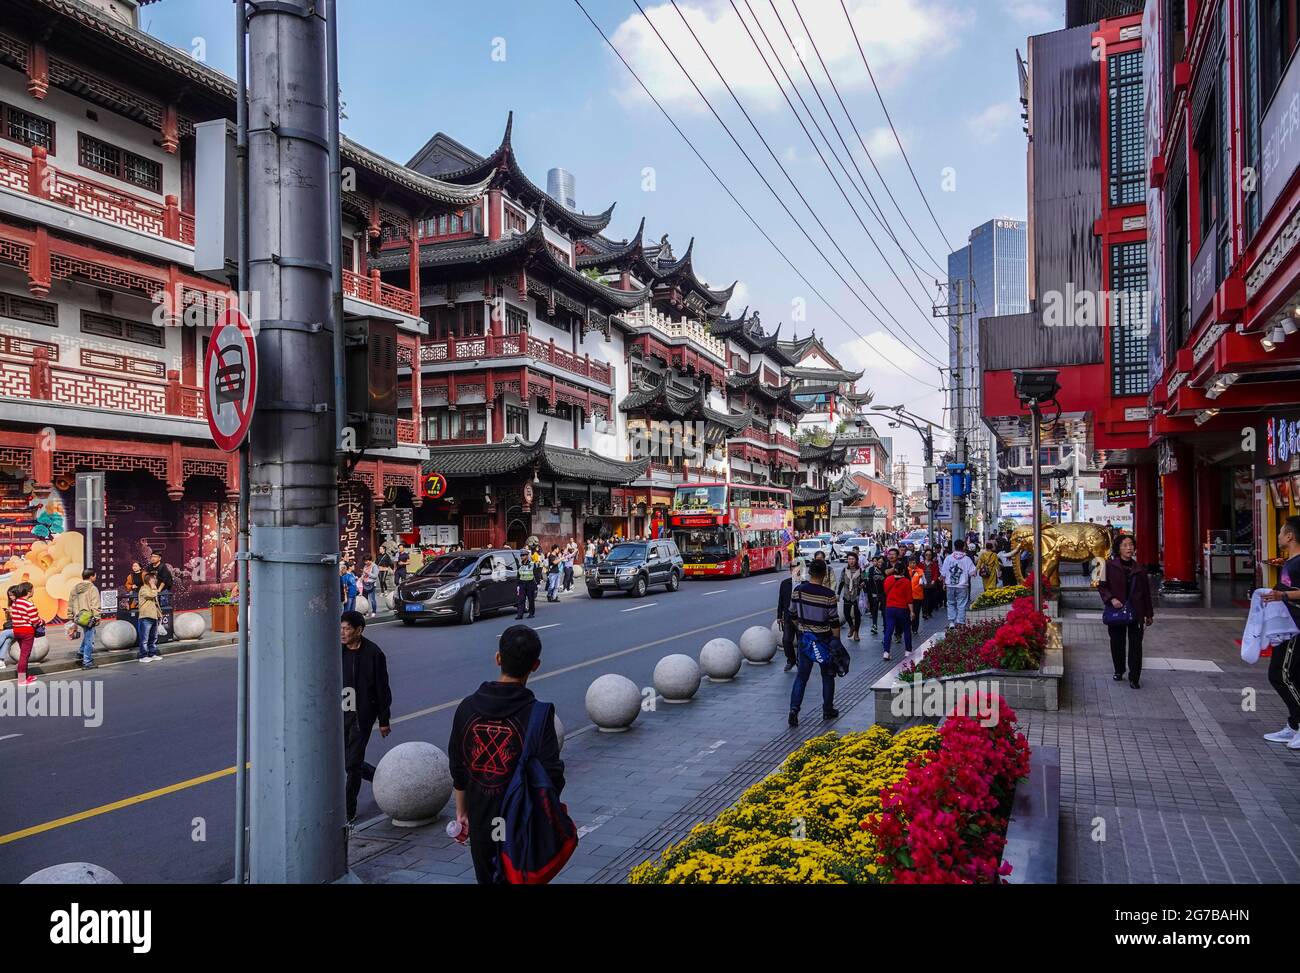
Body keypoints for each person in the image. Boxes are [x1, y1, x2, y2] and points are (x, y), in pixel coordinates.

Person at [449, 625, 565, 884]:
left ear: (498, 658)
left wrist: (462, 812)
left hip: (481, 819)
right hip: (523, 821)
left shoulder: (467, 707)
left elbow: (458, 767)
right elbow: (553, 775)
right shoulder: (538, 715)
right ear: (536, 665)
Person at [340, 610, 392, 824]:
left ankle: (348, 811)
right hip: (340, 713)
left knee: (352, 765)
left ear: (359, 630)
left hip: (362, 715)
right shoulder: (337, 651)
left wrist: (384, 719)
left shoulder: (373, 653)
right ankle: (381, 777)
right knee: (346, 761)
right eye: (341, 628)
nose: (342, 633)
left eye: (347, 629)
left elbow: (382, 688)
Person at [785, 558, 840, 727]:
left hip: (805, 640)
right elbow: (834, 622)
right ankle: (827, 709)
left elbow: (792, 614)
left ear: (809, 573)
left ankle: (794, 710)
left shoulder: (798, 591)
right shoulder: (829, 596)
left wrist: (802, 628)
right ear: (824, 575)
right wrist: (836, 642)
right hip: (824, 640)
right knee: (828, 676)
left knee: (802, 677)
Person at [1262, 515, 1300, 749]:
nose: (1278, 535)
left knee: (1280, 675)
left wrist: (1282, 595)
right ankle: (1294, 725)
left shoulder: (1299, 562)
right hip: (1285, 628)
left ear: (1290, 536)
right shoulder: (1290, 562)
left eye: (1281, 531)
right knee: (1292, 676)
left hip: (1296, 628)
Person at [1097, 534, 1154, 689]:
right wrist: (1111, 599)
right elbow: (1101, 586)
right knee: (1117, 642)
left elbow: (1146, 593)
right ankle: (1119, 670)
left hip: (1136, 611)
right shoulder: (1109, 566)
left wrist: (1149, 614)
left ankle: (1134, 677)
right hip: (1116, 610)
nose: (1129, 548)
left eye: (1131, 545)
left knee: (1136, 646)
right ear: (1118, 548)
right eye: (1125, 545)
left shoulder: (1139, 569)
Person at [68, 569, 101, 670]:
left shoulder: (75, 588)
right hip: (88, 617)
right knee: (90, 640)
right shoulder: (92, 588)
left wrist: (70, 616)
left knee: (89, 634)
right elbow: (95, 604)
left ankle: (81, 652)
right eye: (95, 575)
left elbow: (70, 603)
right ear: (91, 576)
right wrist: (97, 617)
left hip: (77, 616)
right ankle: (87, 662)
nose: (95, 577)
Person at [881, 559, 914, 662]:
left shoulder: (888, 580)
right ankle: (908, 651)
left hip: (890, 608)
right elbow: (909, 599)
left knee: (889, 630)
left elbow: (885, 591)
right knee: (906, 629)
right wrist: (912, 611)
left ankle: (886, 652)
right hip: (902, 609)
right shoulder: (906, 582)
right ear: (903, 571)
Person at [941, 540, 978, 628]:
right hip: (962, 586)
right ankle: (960, 622)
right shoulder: (967, 559)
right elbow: (973, 572)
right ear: (963, 547)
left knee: (950, 603)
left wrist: (943, 583)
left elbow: (943, 573)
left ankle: (951, 622)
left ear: (954, 546)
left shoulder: (948, 558)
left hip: (950, 585)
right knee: (961, 604)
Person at [9, 582, 40, 685]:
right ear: (29, 591)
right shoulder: (29, 604)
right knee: (24, 655)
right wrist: (42, 622)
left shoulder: (15, 603)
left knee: (24, 654)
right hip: (27, 632)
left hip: (17, 631)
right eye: (33, 589)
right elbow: (35, 621)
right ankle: (22, 680)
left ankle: (26, 676)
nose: (34, 591)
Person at [776, 559, 803, 672]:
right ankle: (791, 660)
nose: (794, 570)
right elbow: (781, 601)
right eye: (792, 568)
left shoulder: (805, 584)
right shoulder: (785, 583)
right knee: (786, 640)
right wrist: (779, 616)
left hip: (802, 618)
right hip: (788, 617)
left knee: (801, 641)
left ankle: (800, 661)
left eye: (797, 568)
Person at [836, 552, 863, 642]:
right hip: (847, 594)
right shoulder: (844, 570)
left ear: (856, 560)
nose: (851, 561)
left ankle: (856, 633)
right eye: (849, 559)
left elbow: (865, 581)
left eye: (853, 559)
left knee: (857, 615)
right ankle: (851, 626)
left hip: (857, 595)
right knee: (846, 614)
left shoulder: (861, 570)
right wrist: (838, 594)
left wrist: (863, 584)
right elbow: (841, 582)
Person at [136, 572, 163, 661]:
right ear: (149, 580)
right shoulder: (144, 589)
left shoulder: (151, 589)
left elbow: (156, 603)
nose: (155, 580)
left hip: (154, 616)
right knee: (144, 638)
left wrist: (160, 614)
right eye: (153, 579)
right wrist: (153, 586)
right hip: (145, 616)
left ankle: (152, 653)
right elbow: (152, 594)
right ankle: (143, 656)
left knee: (153, 637)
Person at [864, 554, 886, 637]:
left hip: (884, 593)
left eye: (881, 562)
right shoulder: (871, 569)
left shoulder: (885, 570)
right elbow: (869, 581)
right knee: (874, 610)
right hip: (874, 593)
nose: (879, 563)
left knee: (884, 611)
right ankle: (874, 625)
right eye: (878, 562)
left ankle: (885, 625)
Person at [516, 548, 539, 619]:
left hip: (530, 583)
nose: (522, 557)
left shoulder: (532, 564)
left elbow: (536, 574)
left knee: (530, 599)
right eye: (521, 555)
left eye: (523, 555)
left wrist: (537, 584)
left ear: (527, 556)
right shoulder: (519, 565)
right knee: (521, 600)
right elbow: (518, 575)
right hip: (522, 584)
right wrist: (518, 585)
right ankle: (520, 615)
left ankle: (531, 613)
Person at [908, 556, 926, 635]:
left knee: (916, 612)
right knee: (907, 612)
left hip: (918, 596)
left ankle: (915, 628)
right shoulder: (905, 571)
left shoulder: (920, 571)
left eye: (914, 562)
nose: (913, 564)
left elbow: (925, 582)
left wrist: (922, 582)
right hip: (908, 595)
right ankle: (908, 627)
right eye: (911, 563)